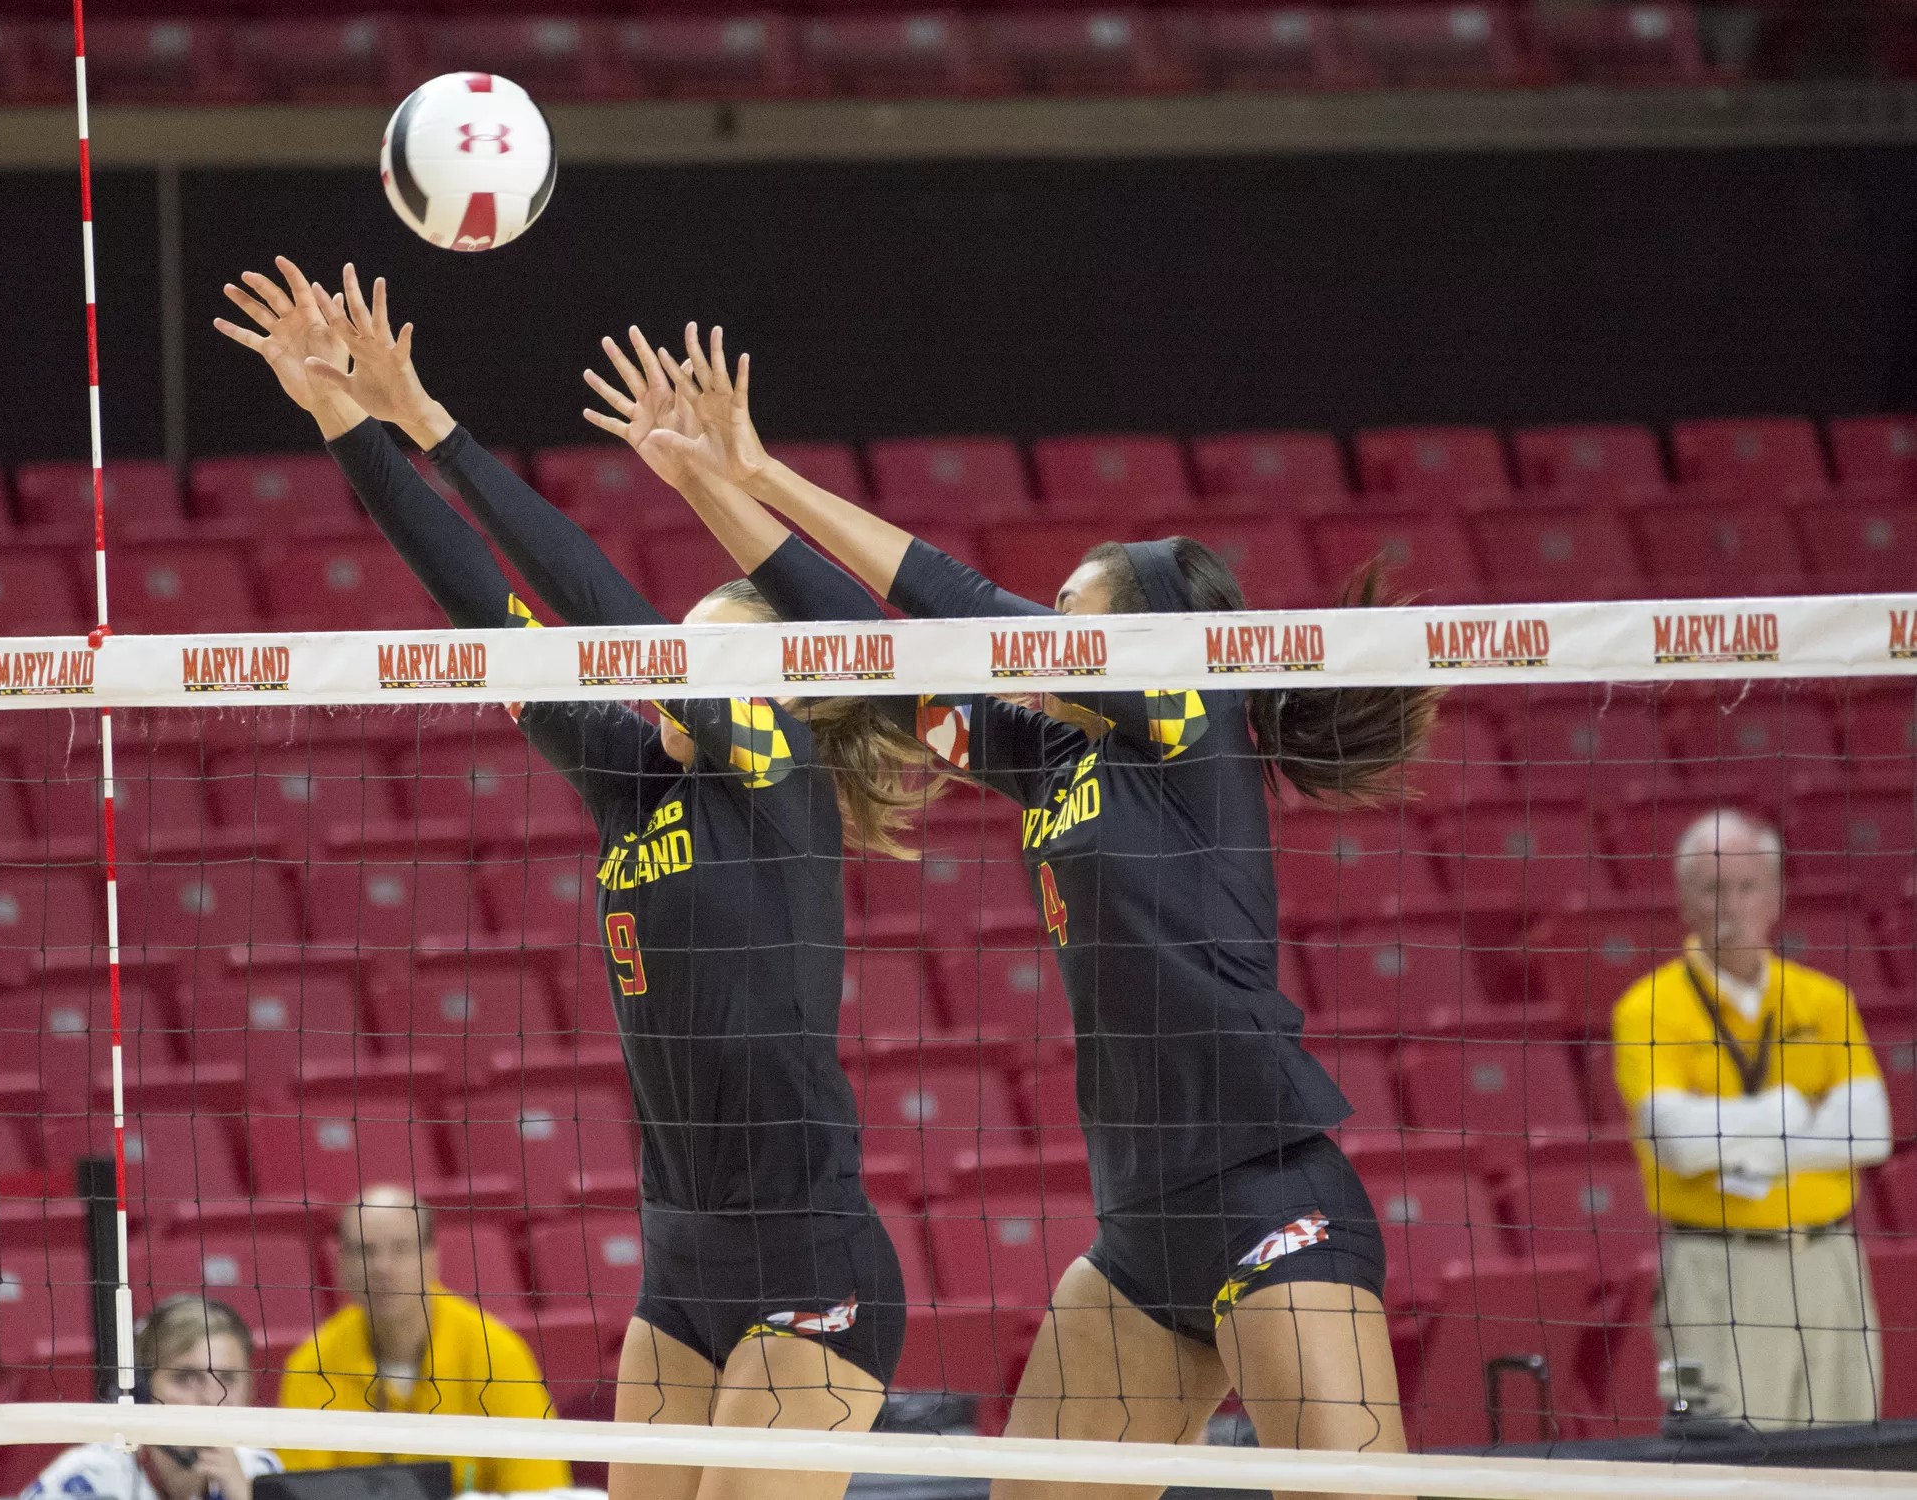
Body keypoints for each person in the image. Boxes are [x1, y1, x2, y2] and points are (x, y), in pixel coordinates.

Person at [584, 328, 1438, 1500]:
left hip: (1264, 1198)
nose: (1033, 624)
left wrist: (768, 470)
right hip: (1138, 1231)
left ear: (1140, 641)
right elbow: (870, 648)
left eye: (1066, 610)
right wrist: (712, 480)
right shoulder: (1045, 757)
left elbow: (955, 600)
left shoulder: (1192, 723)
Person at [216, 259, 925, 1500]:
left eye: (710, 647)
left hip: (812, 1258)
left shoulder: (779, 771)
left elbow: (595, 602)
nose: (668, 663)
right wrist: (346, 416)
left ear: (772, 687)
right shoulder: (626, 776)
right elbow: (485, 601)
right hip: (682, 1264)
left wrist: (437, 422)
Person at [1612, 806, 1890, 1431]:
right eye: (1712, 888)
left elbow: (1870, 1131)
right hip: (1709, 1274)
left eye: (1747, 885)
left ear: (1776, 896)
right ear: (1683, 901)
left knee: (1853, 1466)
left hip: (1833, 1265)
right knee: (1713, 1464)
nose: (1730, 904)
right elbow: (1679, 1143)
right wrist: (1794, 1110)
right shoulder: (1646, 1008)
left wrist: (1747, 1139)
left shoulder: (1825, 999)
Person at [274, 1187, 570, 1492]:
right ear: (341, 1264)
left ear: (431, 1258)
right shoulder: (312, 1364)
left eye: (401, 1249)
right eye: (365, 1251)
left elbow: (541, 1489)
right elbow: (300, 1491)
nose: (382, 1268)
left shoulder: (496, 1354)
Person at [20, 1297, 281, 1500]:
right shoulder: (85, 1479)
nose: (211, 1398)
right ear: (142, 1390)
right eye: (186, 1378)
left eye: (228, 1378)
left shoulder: (259, 1470)